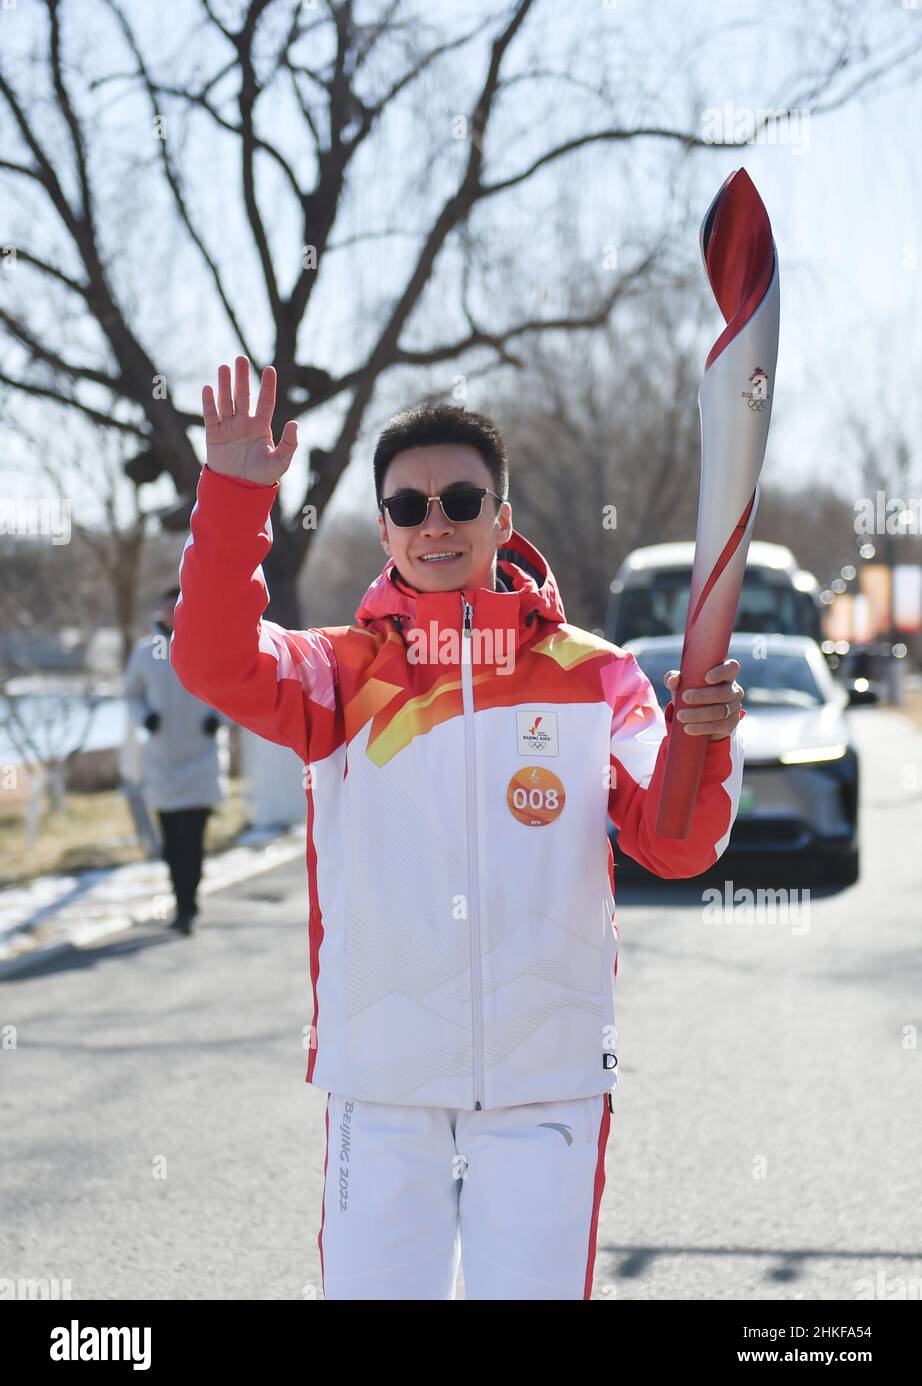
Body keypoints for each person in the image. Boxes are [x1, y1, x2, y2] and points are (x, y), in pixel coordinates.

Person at [171, 356, 746, 1300]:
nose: (435, 521)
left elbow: (677, 845)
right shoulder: (340, 673)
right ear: (385, 527)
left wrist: (703, 744)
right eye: (408, 507)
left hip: (547, 1084)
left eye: (461, 499)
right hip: (382, 1083)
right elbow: (212, 657)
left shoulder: (599, 676)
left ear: (501, 518)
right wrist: (235, 497)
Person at [123, 586, 228, 934]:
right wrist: (145, 717)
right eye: (168, 608)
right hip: (163, 759)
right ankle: (179, 899)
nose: (172, 613)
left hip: (200, 758)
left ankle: (188, 907)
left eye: (178, 607)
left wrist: (219, 718)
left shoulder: (207, 643)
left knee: (192, 839)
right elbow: (130, 696)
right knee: (171, 843)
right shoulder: (144, 652)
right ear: (160, 612)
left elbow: (230, 688)